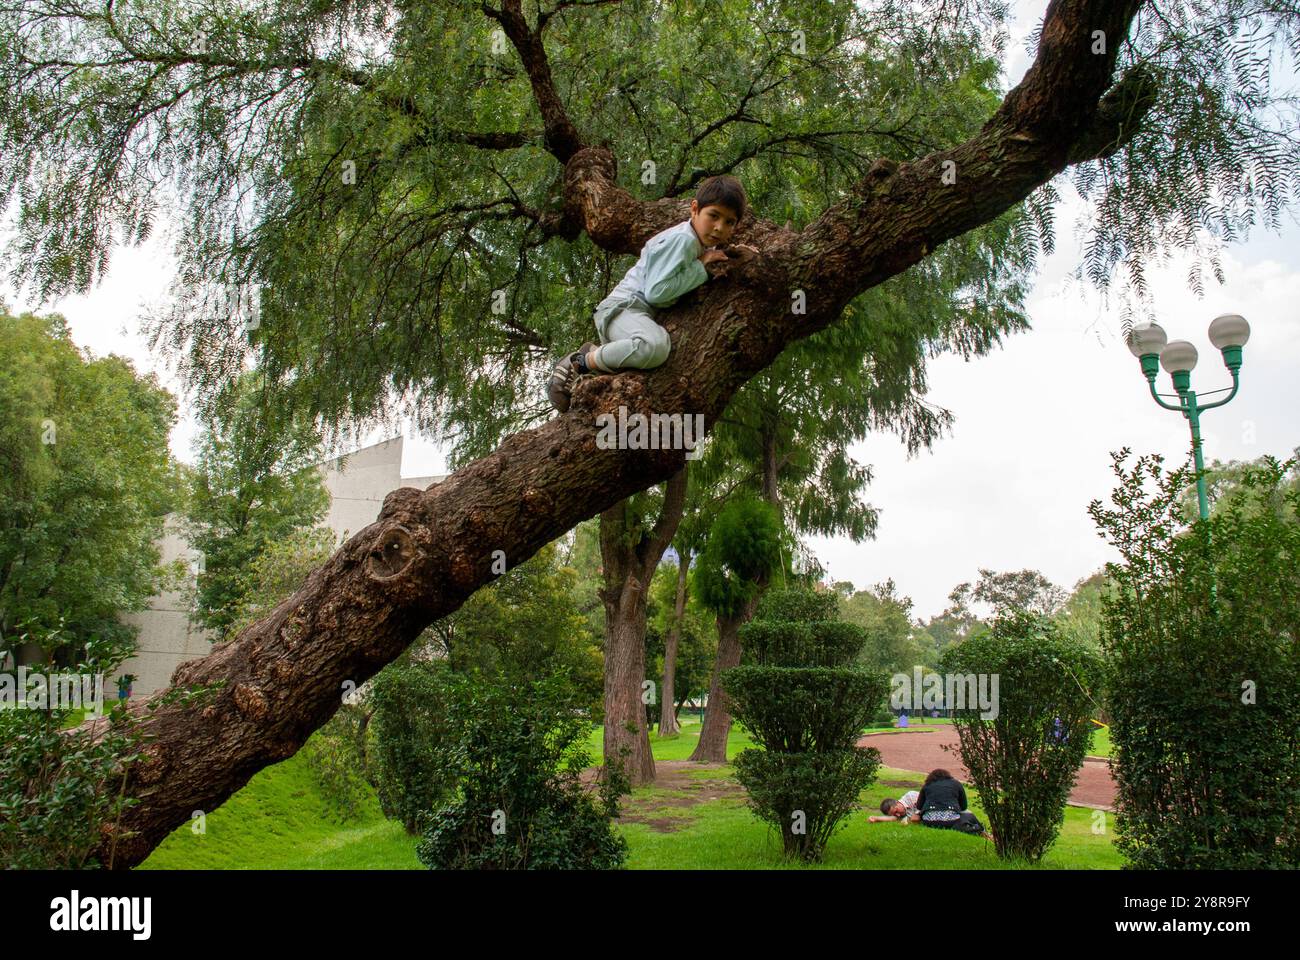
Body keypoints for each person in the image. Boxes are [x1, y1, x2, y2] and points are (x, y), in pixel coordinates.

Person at [546, 174, 758, 413]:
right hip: (622, 308)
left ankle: (595, 366)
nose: (720, 227)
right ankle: (581, 361)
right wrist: (701, 267)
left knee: (646, 353)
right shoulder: (684, 240)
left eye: (730, 222)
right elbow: (657, 292)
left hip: (632, 314)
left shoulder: (697, 242)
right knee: (654, 346)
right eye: (714, 216)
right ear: (694, 209)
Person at [916, 768, 991, 839]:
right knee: (970, 815)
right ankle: (983, 832)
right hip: (952, 820)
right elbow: (964, 806)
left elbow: (919, 806)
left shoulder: (927, 785)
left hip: (928, 821)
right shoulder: (956, 783)